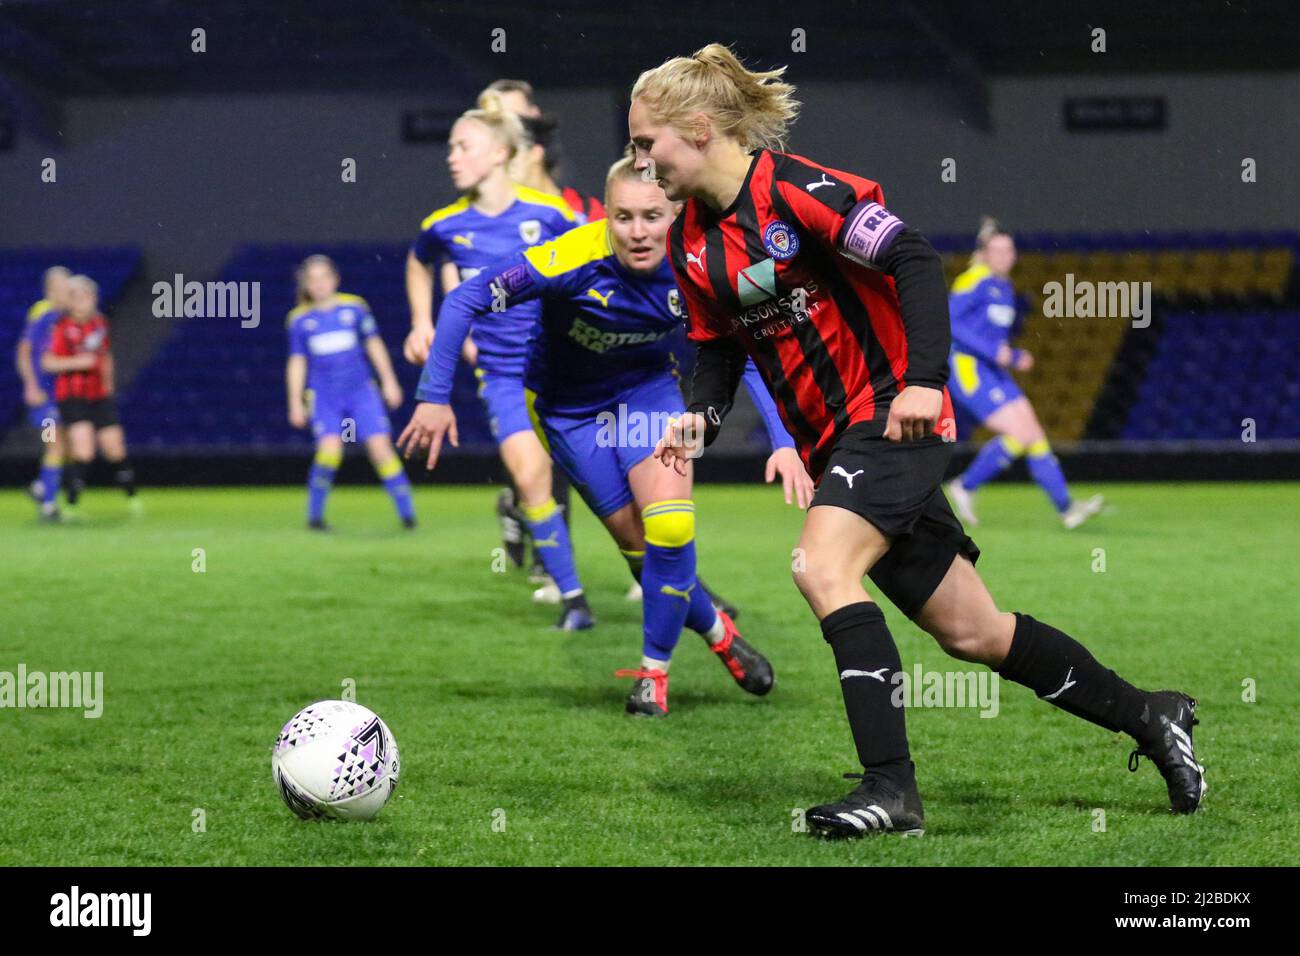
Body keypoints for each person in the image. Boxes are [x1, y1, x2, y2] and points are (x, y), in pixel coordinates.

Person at [635, 44, 1204, 833]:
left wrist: (924, 379)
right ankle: (1151, 715)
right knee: (975, 631)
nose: (639, 159)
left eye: (645, 142)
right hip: (838, 443)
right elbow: (722, 344)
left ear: (697, 129)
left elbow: (912, 258)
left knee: (821, 566)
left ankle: (890, 790)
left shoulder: (801, 191)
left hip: (890, 417)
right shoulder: (689, 239)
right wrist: (701, 413)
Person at [398, 154, 813, 715]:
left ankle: (652, 675)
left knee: (668, 528)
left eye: (651, 215)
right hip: (569, 414)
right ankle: (720, 635)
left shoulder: (700, 258)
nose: (638, 232)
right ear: (605, 215)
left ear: (676, 209)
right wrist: (433, 394)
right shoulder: (568, 256)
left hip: (648, 398)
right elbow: (467, 299)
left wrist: (784, 441)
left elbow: (746, 345)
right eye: (623, 217)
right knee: (641, 552)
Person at [403, 93, 591, 622]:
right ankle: (574, 598)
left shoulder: (552, 216)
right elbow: (419, 265)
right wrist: (422, 321)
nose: (451, 156)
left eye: (463, 145)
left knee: (606, 485)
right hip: (502, 374)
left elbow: (594, 267)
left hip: (560, 368)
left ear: (502, 153)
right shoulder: (443, 225)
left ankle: (669, 587)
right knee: (531, 478)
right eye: (450, 147)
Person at [944, 218, 1105, 529]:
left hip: (990, 368)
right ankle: (964, 486)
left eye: (1009, 250)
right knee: (1019, 434)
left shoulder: (1003, 286)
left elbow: (992, 335)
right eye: (998, 250)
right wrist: (998, 353)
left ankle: (1067, 508)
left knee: (1033, 432)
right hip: (968, 368)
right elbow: (950, 322)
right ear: (985, 254)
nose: (1006, 256)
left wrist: (1013, 355)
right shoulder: (974, 278)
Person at [286, 255, 414, 530]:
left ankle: (407, 515)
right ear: (306, 285)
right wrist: (295, 402)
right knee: (330, 451)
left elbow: (374, 345)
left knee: (381, 449)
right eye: (313, 279)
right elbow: (297, 362)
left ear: (335, 279)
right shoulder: (299, 320)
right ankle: (315, 517)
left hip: (361, 392)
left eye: (324, 278)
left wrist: (389, 381)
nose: (319, 284)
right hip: (324, 395)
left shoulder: (354, 308)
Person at [41, 275, 139, 516]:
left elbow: (104, 356)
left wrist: (108, 383)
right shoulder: (57, 326)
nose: (82, 302)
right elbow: (46, 362)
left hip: (98, 396)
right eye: (76, 297)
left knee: (114, 447)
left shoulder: (99, 324)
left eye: (86, 296)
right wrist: (77, 362)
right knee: (77, 449)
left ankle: (130, 493)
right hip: (67, 398)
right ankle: (64, 499)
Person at [15, 266, 71, 520]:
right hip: (43, 400)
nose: (65, 292)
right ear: (50, 290)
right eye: (61, 288)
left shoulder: (65, 317)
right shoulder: (42, 313)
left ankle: (41, 486)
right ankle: (48, 505)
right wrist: (31, 385)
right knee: (55, 445)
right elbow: (24, 352)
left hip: (60, 397)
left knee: (65, 447)